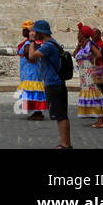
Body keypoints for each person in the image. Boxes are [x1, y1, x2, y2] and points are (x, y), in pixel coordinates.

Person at [19, 19, 71, 148]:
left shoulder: (48, 46)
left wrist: (31, 41)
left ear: (41, 33)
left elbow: (31, 56)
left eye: (35, 32)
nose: (33, 34)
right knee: (60, 115)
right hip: (55, 83)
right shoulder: (50, 43)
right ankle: (65, 143)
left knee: (61, 115)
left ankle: (66, 144)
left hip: (54, 83)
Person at [15, 21, 46, 120]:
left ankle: (38, 112)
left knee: (33, 90)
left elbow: (31, 59)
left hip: (32, 72)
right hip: (29, 72)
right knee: (32, 91)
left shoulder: (30, 44)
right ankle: (36, 112)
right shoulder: (29, 44)